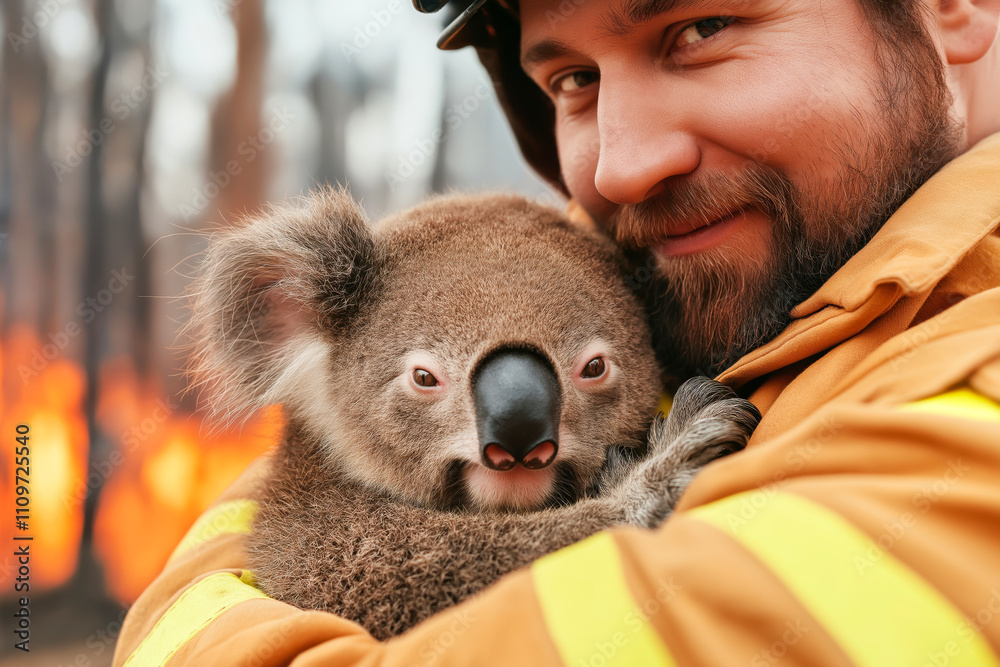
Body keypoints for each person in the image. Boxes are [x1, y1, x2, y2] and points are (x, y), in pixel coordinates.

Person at [113, 0, 1000, 664]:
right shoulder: (707, 290)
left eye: (701, 28)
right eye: (574, 80)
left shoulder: (969, 401)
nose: (623, 166)